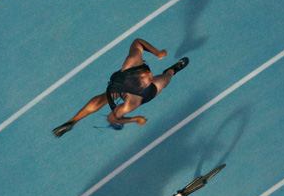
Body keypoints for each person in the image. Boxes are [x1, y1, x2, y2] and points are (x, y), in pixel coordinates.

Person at [52, 38, 189, 136]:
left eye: (146, 72)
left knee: (103, 98)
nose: (150, 73)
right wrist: (135, 119)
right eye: (148, 79)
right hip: (134, 93)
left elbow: (138, 41)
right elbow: (112, 118)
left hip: (120, 83)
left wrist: (157, 52)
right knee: (163, 81)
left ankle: (72, 121)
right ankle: (172, 70)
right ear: (143, 87)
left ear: (135, 71)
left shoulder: (132, 62)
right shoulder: (132, 103)